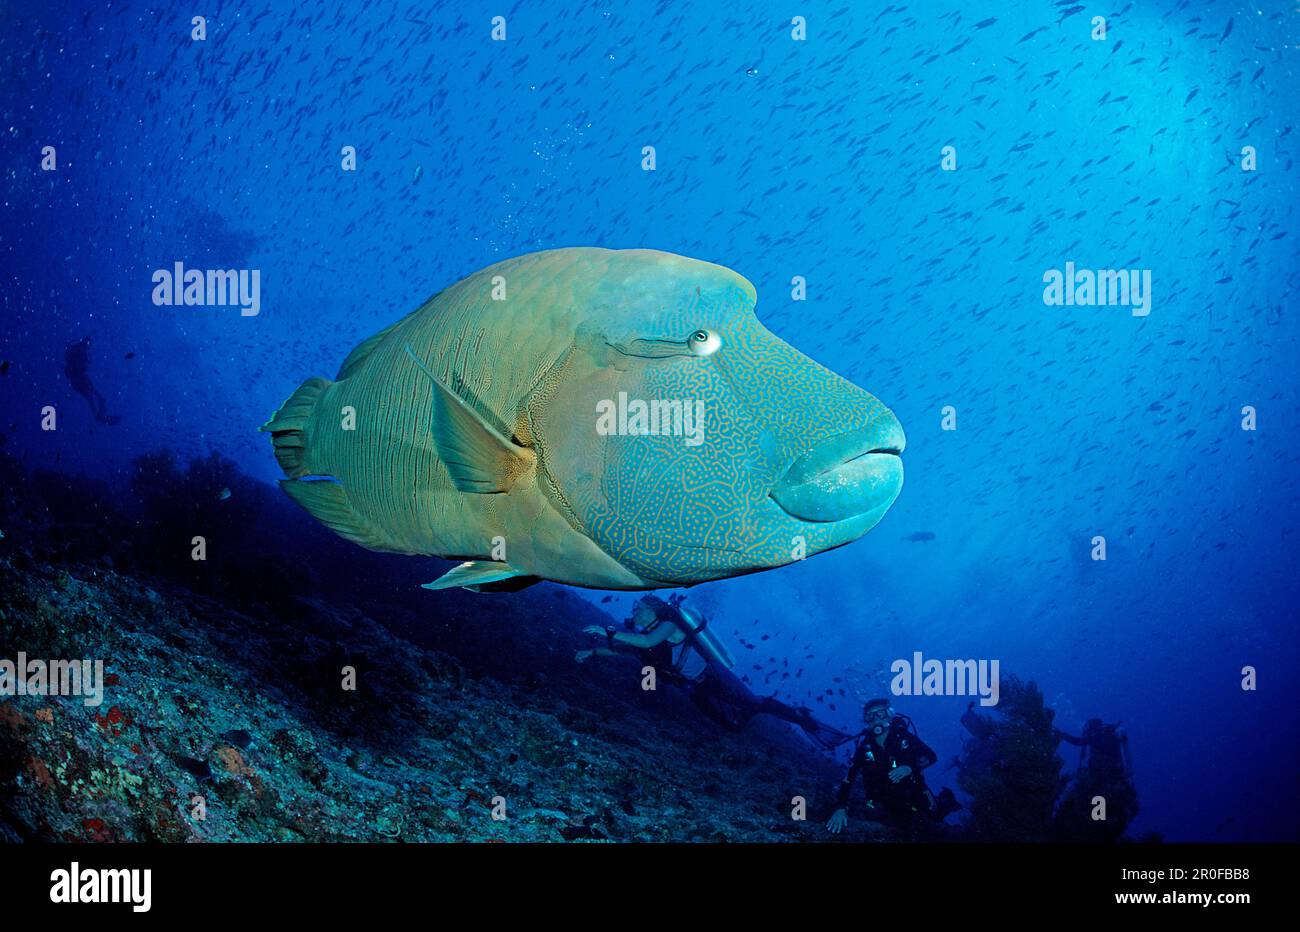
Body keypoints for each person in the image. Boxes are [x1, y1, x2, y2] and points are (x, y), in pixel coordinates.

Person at [577, 594, 847, 748]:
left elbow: (646, 641)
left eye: (640, 608)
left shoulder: (669, 625)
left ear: (654, 610)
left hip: (713, 674)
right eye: (634, 608)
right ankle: (752, 713)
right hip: (694, 687)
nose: (635, 611)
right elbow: (623, 649)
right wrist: (592, 651)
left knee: (752, 702)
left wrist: (608, 631)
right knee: (731, 726)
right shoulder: (643, 638)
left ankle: (799, 716)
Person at [826, 698, 960, 832]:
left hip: (912, 791)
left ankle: (946, 801)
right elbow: (849, 778)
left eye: (880, 713)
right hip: (883, 798)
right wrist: (840, 807)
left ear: (889, 715)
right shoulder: (865, 747)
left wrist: (910, 767)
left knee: (934, 817)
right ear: (866, 720)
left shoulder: (903, 737)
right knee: (893, 825)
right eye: (870, 716)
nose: (875, 719)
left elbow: (931, 756)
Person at [1053, 717, 1138, 841]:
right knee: (1105, 799)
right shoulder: (1109, 734)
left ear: (1091, 727)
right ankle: (1102, 823)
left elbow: (1078, 742)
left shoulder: (1096, 735)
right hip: (1116, 772)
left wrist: (1062, 734)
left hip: (1102, 773)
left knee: (1098, 796)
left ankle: (1098, 820)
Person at [64, 337, 120, 425]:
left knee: (91, 394)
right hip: (77, 377)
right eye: (87, 344)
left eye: (88, 345)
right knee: (89, 395)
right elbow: (77, 364)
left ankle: (98, 411)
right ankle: (98, 413)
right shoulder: (78, 350)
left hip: (79, 377)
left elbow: (83, 365)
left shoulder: (80, 351)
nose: (87, 346)